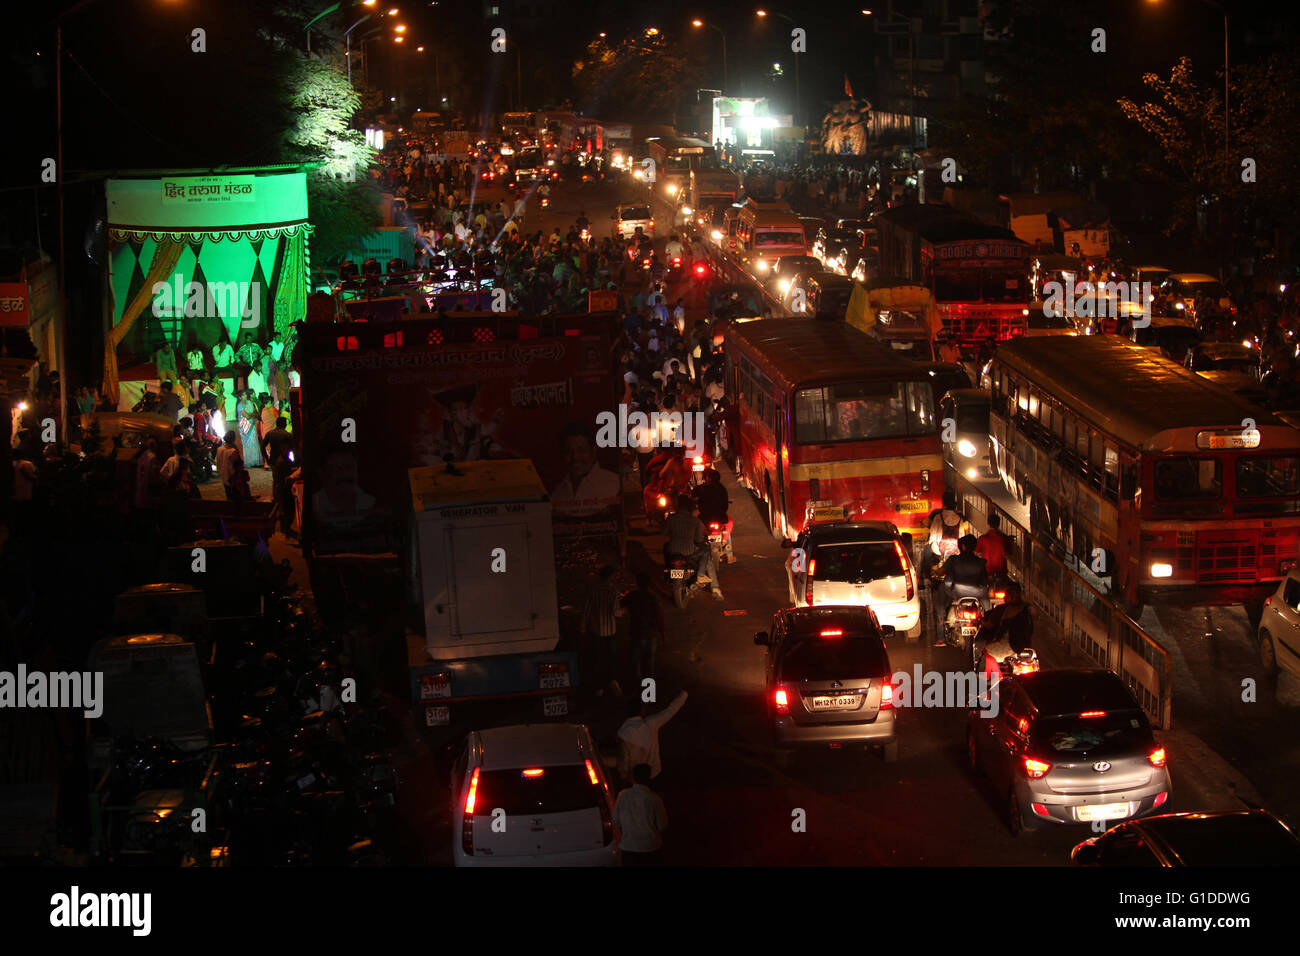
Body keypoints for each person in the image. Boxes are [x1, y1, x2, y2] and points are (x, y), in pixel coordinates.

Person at [617, 689, 688, 783]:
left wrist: (623, 776)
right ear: (642, 710)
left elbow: (624, 760)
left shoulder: (623, 732)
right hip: (654, 775)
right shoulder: (650, 724)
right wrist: (684, 694)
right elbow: (670, 710)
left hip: (634, 779)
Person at [664, 494, 722, 600]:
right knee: (706, 549)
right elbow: (699, 539)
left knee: (665, 546)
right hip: (688, 552)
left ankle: (667, 568)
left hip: (673, 550)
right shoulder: (694, 520)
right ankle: (700, 575)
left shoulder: (671, 518)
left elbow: (664, 532)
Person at [938, 534, 989, 646]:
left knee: (941, 589)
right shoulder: (981, 562)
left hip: (956, 593)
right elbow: (985, 581)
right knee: (987, 609)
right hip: (977, 595)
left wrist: (935, 572)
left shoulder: (953, 560)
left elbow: (941, 572)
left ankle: (940, 623)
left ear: (963, 546)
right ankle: (989, 620)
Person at [613, 763, 669, 866]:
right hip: (651, 847)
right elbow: (662, 825)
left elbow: (615, 821)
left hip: (629, 847)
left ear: (633, 777)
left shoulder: (623, 796)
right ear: (649, 777)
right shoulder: (655, 799)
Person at [581, 565, 622, 697]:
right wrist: (622, 612)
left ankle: (599, 687)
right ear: (610, 576)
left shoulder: (592, 590)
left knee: (598, 658)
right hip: (611, 631)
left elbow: (586, 610)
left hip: (596, 630)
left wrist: (583, 627)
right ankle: (613, 681)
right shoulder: (613, 591)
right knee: (611, 657)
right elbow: (616, 612)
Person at [975, 581, 1033, 674]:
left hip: (1010, 646)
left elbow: (990, 625)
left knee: (986, 650)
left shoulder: (1005, 609)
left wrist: (981, 621)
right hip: (1023, 646)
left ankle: (993, 675)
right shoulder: (1026, 609)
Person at [620, 573, 664, 691]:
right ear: (648, 584)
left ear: (637, 583)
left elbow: (620, 605)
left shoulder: (632, 596)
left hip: (636, 632)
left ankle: (637, 683)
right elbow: (659, 616)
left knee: (636, 660)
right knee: (649, 661)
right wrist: (662, 633)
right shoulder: (652, 598)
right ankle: (649, 688)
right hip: (650, 634)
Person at [236, 390, 262, 469]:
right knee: (247, 444)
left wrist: (250, 415)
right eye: (243, 395)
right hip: (245, 427)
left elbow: (254, 413)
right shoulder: (240, 406)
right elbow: (247, 416)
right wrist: (251, 415)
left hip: (252, 424)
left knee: (254, 442)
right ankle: (249, 461)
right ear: (240, 397)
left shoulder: (250, 403)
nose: (245, 396)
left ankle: (255, 461)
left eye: (245, 394)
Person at [215, 430, 243, 501]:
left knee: (228, 493)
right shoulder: (232, 451)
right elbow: (237, 464)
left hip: (223, 474)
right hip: (231, 476)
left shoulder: (219, 449)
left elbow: (217, 462)